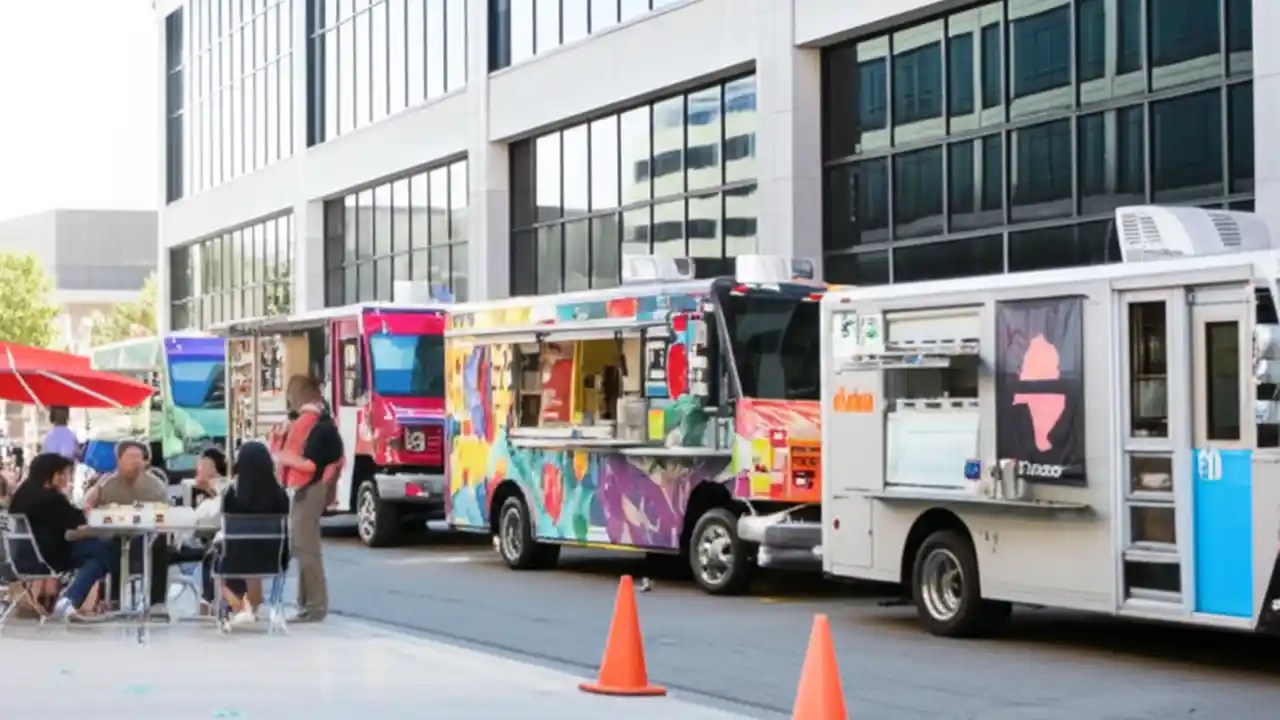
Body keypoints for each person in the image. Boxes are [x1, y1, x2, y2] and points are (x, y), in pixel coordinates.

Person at [6, 453, 114, 622]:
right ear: (52, 474)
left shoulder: (21, 496)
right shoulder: (52, 499)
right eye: (63, 473)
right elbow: (78, 520)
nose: (66, 478)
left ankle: (70, 600)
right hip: (49, 557)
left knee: (98, 551)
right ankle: (70, 600)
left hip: (21, 557)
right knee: (104, 550)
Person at [275, 375, 342, 623]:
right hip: (310, 489)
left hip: (311, 489)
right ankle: (306, 604)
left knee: (308, 549)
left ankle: (314, 606)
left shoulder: (318, 426)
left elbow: (310, 464)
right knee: (302, 547)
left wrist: (283, 457)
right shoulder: (322, 422)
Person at [201, 441, 290, 626]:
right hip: (273, 558)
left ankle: (238, 605)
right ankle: (247, 605)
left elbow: (223, 525)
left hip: (236, 557)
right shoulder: (281, 496)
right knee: (244, 553)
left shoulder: (232, 494)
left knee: (212, 558)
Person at [82, 440, 172, 618]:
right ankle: (113, 599)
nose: (136, 461)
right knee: (109, 544)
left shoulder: (155, 486)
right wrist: (94, 493)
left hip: (146, 538)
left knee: (161, 543)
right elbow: (88, 507)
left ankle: (157, 603)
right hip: (115, 537)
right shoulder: (107, 484)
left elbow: (164, 514)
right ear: (118, 460)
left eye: (139, 457)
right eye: (131, 457)